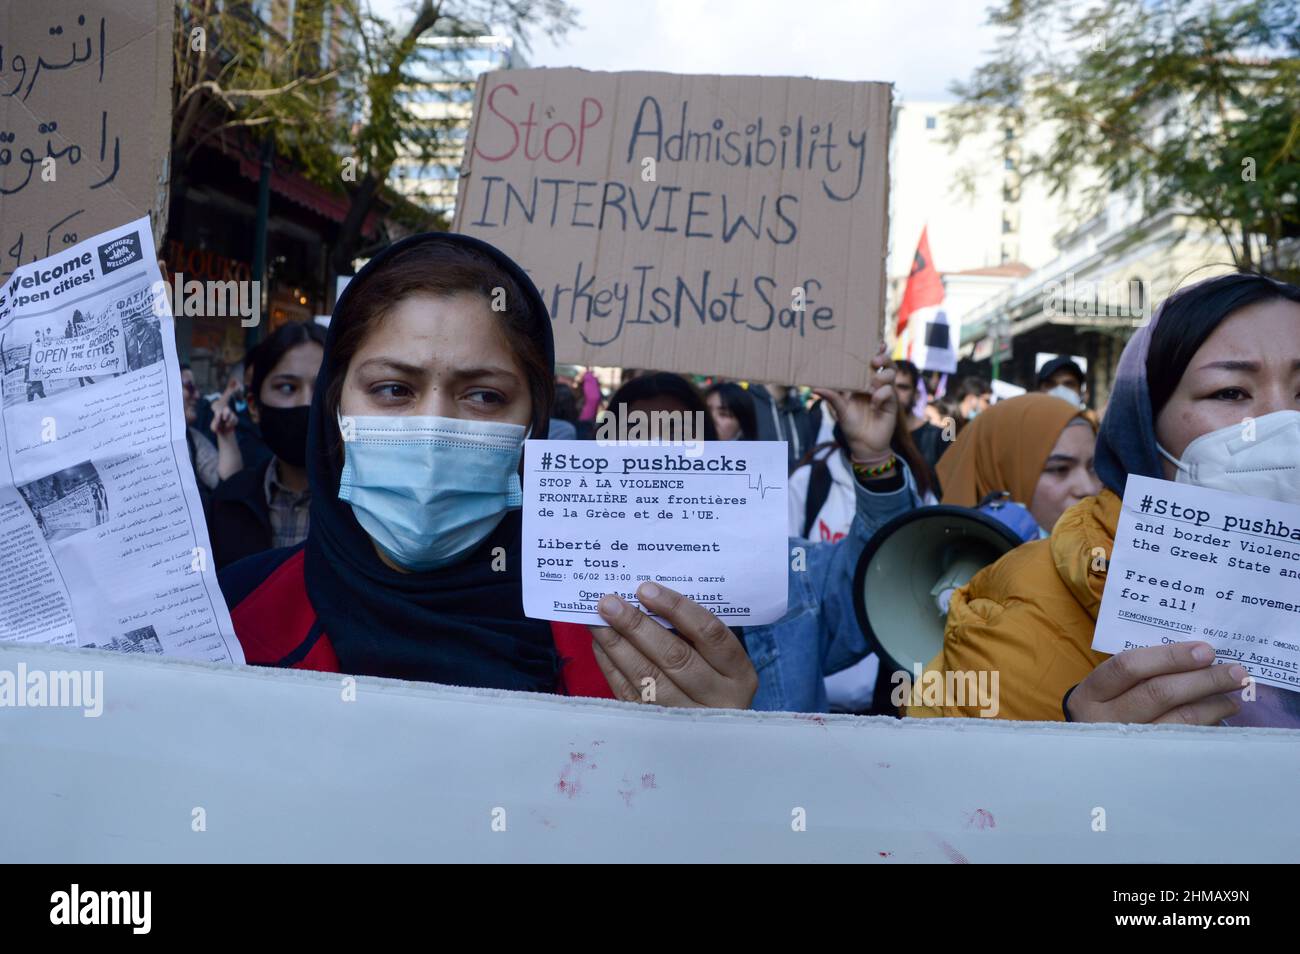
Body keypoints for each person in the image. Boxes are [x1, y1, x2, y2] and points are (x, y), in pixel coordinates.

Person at [218, 233, 772, 707]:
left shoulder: (634, 645)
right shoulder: (230, 617)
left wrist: (714, 747)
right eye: (393, 389)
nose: (434, 428)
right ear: (335, 410)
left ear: (534, 422)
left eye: (483, 395)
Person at [910, 272, 1300, 726]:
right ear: (1143, 425)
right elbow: (944, 787)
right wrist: (1084, 754)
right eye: (1230, 392)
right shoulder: (1012, 622)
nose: (1284, 423)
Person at [604, 363, 924, 712]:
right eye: (637, 439)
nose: (658, 459)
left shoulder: (789, 579)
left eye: (677, 439)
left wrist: (873, 459)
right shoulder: (554, 594)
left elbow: (878, 592)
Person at [208, 321, 327, 569]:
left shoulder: (372, 507)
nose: (307, 402)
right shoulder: (228, 503)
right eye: (287, 387)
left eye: (323, 387)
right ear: (253, 405)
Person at [935, 393, 1101, 538]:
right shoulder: (954, 571)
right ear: (999, 473)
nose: (1088, 489)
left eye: (1093, 468)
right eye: (1060, 469)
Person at [181, 363, 242, 495]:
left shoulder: (193, 439)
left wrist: (227, 436)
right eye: (190, 387)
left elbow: (230, 486)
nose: (197, 395)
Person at [892, 359, 948, 490]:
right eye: (889, 386)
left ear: (916, 395)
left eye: (902, 387)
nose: (894, 393)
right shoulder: (876, 437)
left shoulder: (938, 438)